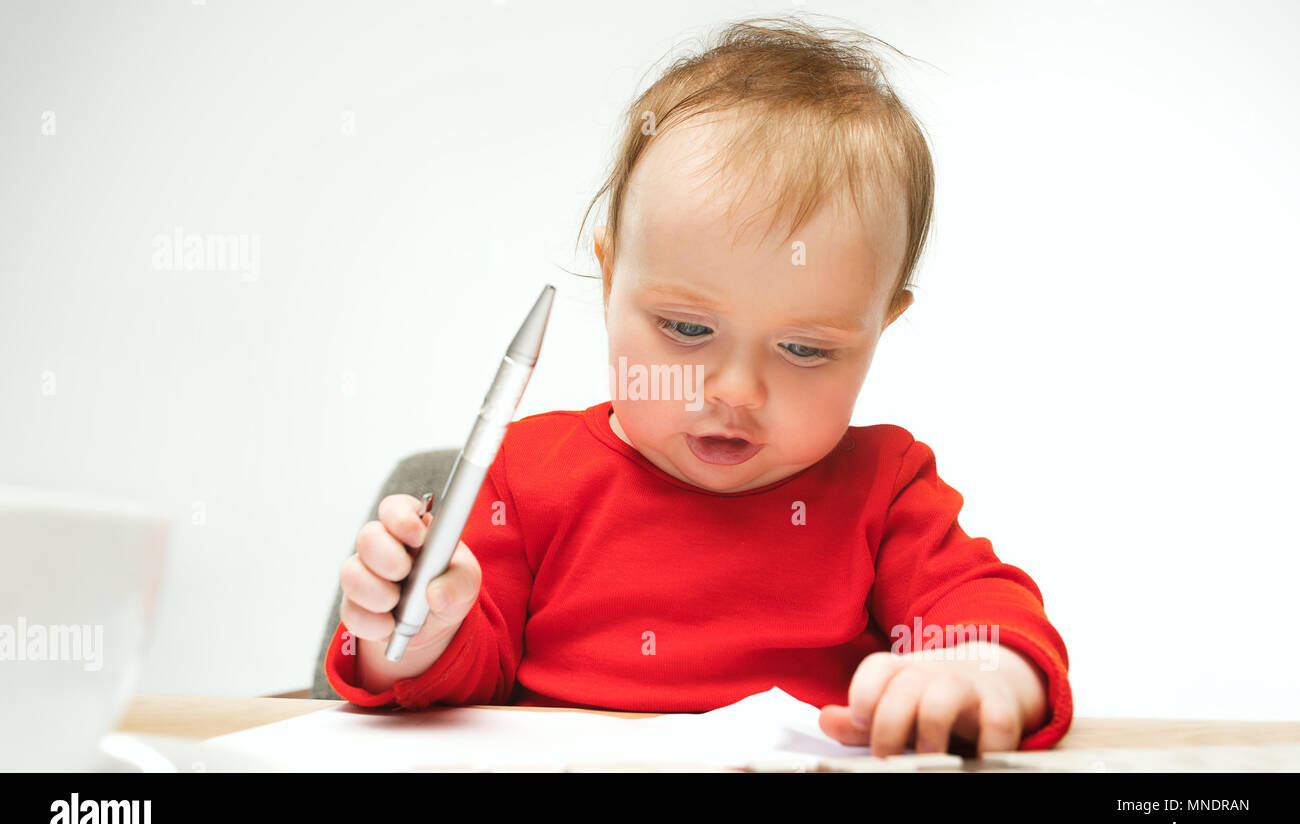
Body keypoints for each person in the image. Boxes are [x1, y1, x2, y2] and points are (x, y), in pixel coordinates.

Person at [326, 14, 1071, 756]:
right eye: (686, 330)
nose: (737, 389)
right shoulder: (524, 475)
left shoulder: (887, 491)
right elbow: (448, 685)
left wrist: (982, 670)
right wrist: (412, 627)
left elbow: (986, 612)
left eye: (806, 347)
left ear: (882, 324)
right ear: (613, 278)